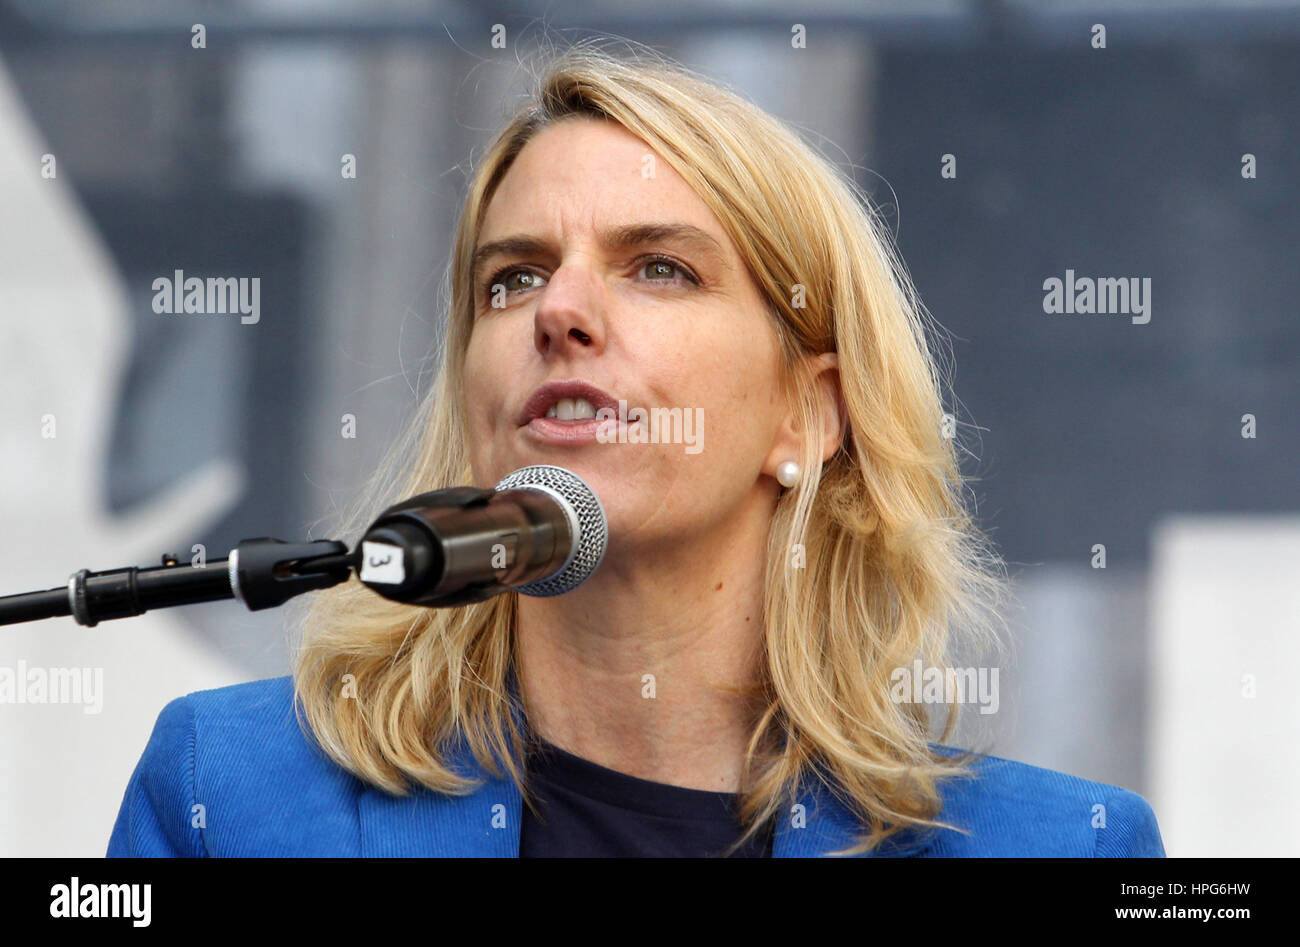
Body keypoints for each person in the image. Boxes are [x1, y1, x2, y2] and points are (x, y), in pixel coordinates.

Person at [108, 43, 1165, 858]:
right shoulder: (231, 793)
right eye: (510, 277)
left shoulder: (1064, 846)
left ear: (809, 417)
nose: (558, 310)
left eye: (657, 267)